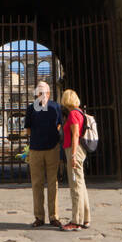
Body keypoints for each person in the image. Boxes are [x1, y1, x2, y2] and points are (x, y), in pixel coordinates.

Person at [23, 81, 64, 228]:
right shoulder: (31, 108)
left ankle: (54, 216)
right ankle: (39, 216)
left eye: (45, 92)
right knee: (37, 183)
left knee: (53, 182)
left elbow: (59, 124)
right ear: (36, 94)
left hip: (52, 148)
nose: (42, 95)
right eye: (40, 93)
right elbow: (27, 128)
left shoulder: (55, 106)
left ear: (49, 93)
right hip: (36, 150)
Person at [60, 88, 91, 230]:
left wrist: (72, 155)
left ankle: (76, 220)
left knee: (75, 186)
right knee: (81, 184)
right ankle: (85, 218)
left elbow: (75, 136)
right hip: (78, 151)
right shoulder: (79, 112)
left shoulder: (73, 114)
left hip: (74, 151)